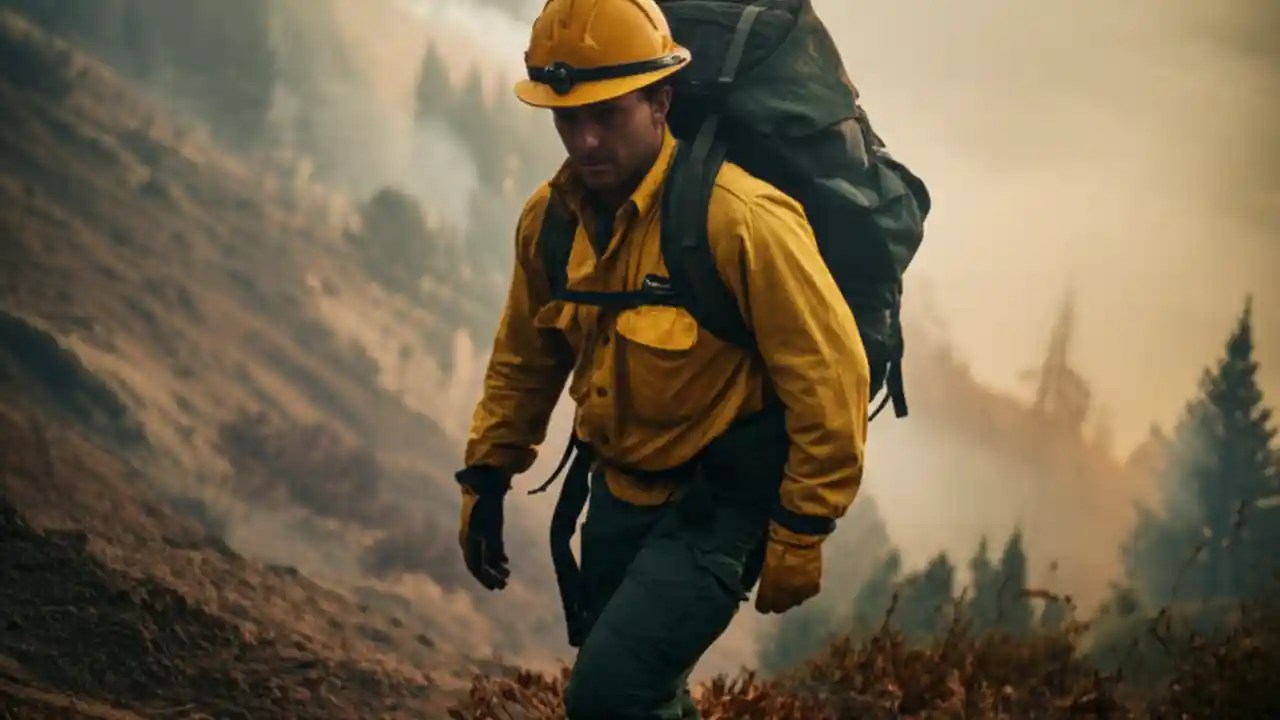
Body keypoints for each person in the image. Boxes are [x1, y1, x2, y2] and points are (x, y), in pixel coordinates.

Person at [454, 0, 870, 716]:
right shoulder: (551, 224)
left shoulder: (739, 220)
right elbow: (526, 355)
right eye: (567, 117)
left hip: (718, 509)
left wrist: (804, 526)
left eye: (607, 115)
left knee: (608, 697)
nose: (584, 140)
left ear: (661, 101)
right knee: (647, 699)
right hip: (618, 495)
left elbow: (830, 377)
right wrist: (488, 470)